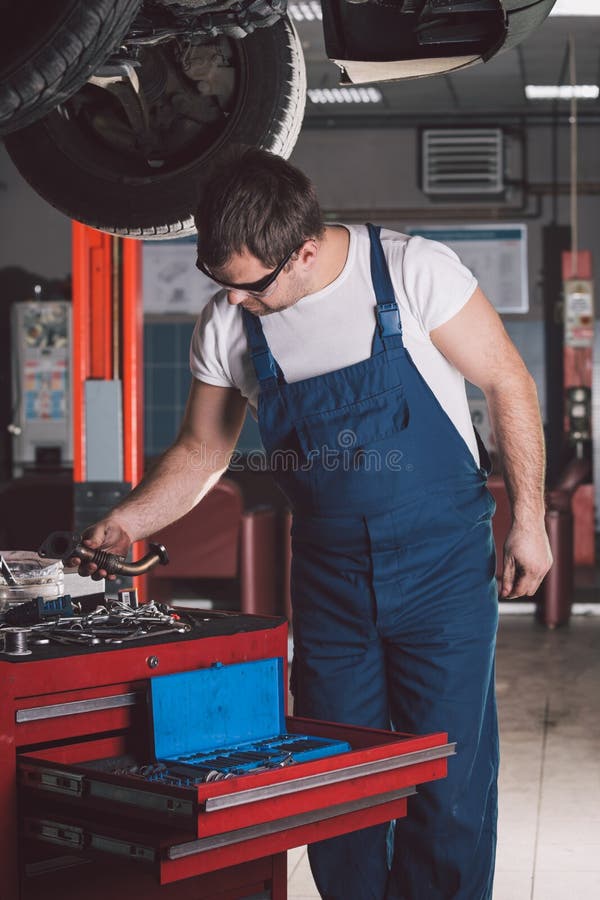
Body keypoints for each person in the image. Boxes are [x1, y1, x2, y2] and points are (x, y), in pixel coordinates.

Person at [75, 147, 552, 899]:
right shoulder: (230, 324)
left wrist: (530, 519)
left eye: (250, 287)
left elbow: (508, 382)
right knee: (334, 776)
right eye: (221, 286)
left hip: (443, 567)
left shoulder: (411, 273)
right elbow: (202, 452)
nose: (234, 303)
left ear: (301, 250)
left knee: (449, 773)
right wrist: (124, 522)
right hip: (330, 578)